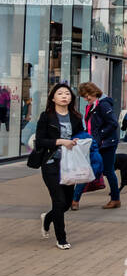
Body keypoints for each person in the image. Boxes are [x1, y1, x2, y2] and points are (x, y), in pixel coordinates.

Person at [33, 82, 85, 249]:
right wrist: (60, 141)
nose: (64, 96)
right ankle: (61, 239)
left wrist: (78, 140)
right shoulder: (46, 116)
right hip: (51, 163)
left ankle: (47, 218)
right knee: (58, 200)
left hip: (70, 164)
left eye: (67, 94)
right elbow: (40, 141)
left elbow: (81, 134)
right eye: (60, 93)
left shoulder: (76, 117)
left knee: (67, 203)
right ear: (53, 98)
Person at [72, 81, 121, 209]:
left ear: (94, 92)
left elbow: (113, 123)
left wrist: (99, 136)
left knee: (108, 171)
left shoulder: (103, 105)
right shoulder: (92, 105)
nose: (86, 98)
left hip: (107, 144)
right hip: (95, 143)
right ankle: (75, 200)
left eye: (88, 94)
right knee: (88, 169)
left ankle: (115, 199)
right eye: (84, 96)